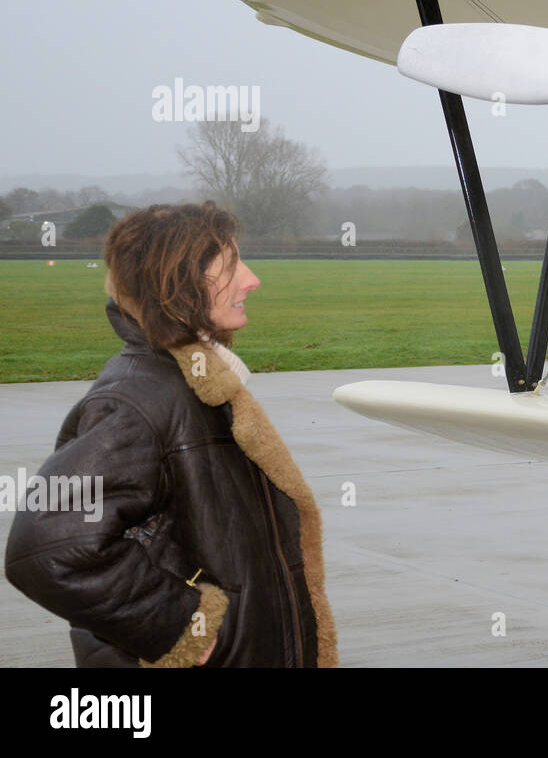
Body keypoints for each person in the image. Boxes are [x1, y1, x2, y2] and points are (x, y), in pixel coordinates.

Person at [4, 202, 337, 667]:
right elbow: (43, 549)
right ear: (178, 283)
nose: (252, 279)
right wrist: (182, 627)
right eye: (230, 265)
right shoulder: (138, 401)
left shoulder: (191, 382)